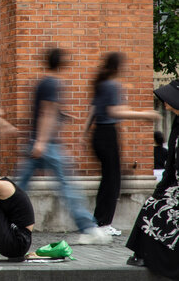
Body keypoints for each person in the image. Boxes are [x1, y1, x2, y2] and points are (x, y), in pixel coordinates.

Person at [15, 47, 110, 244]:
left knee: (20, 187)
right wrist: (41, 142)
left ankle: (4, 218)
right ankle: (88, 229)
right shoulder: (52, 83)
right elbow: (46, 112)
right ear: (61, 63)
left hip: (39, 142)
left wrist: (64, 116)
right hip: (46, 145)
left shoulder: (42, 82)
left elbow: (48, 110)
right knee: (68, 187)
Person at [84, 52, 158, 235]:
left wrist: (84, 134)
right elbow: (114, 112)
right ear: (117, 67)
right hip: (107, 135)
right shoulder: (112, 85)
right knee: (112, 181)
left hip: (99, 134)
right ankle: (103, 224)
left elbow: (93, 109)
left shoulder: (101, 84)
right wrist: (144, 115)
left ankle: (99, 221)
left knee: (109, 180)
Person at [126, 78, 179, 277]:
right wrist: (162, 188)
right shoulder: (176, 125)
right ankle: (143, 252)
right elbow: (170, 164)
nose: (165, 103)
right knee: (153, 203)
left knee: (160, 207)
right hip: (174, 184)